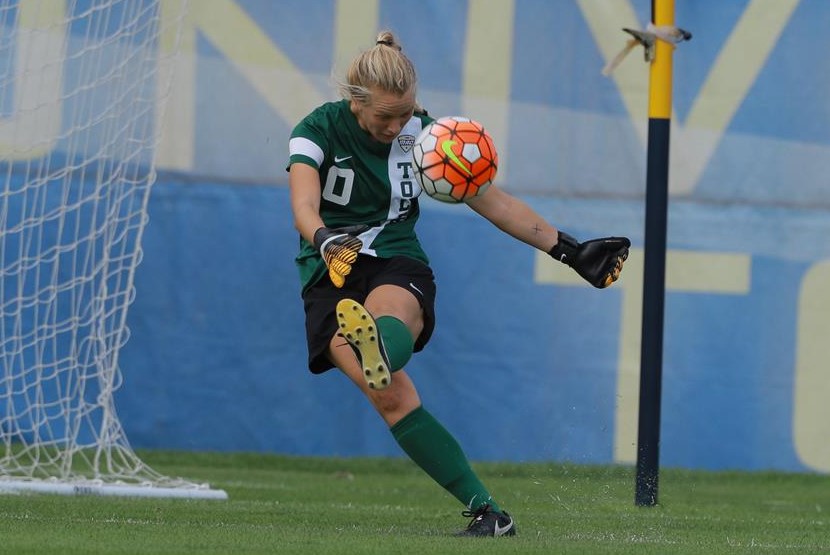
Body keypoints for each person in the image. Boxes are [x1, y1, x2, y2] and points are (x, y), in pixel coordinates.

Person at [287, 30, 630, 538]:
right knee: (392, 399)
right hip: (330, 268)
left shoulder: (427, 137)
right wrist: (325, 239)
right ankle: (490, 514)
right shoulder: (317, 129)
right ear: (356, 102)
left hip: (395, 261)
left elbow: (496, 203)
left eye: (405, 114)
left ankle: (378, 343)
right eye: (386, 117)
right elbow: (303, 205)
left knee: (387, 319)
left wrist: (568, 248)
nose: (397, 125)